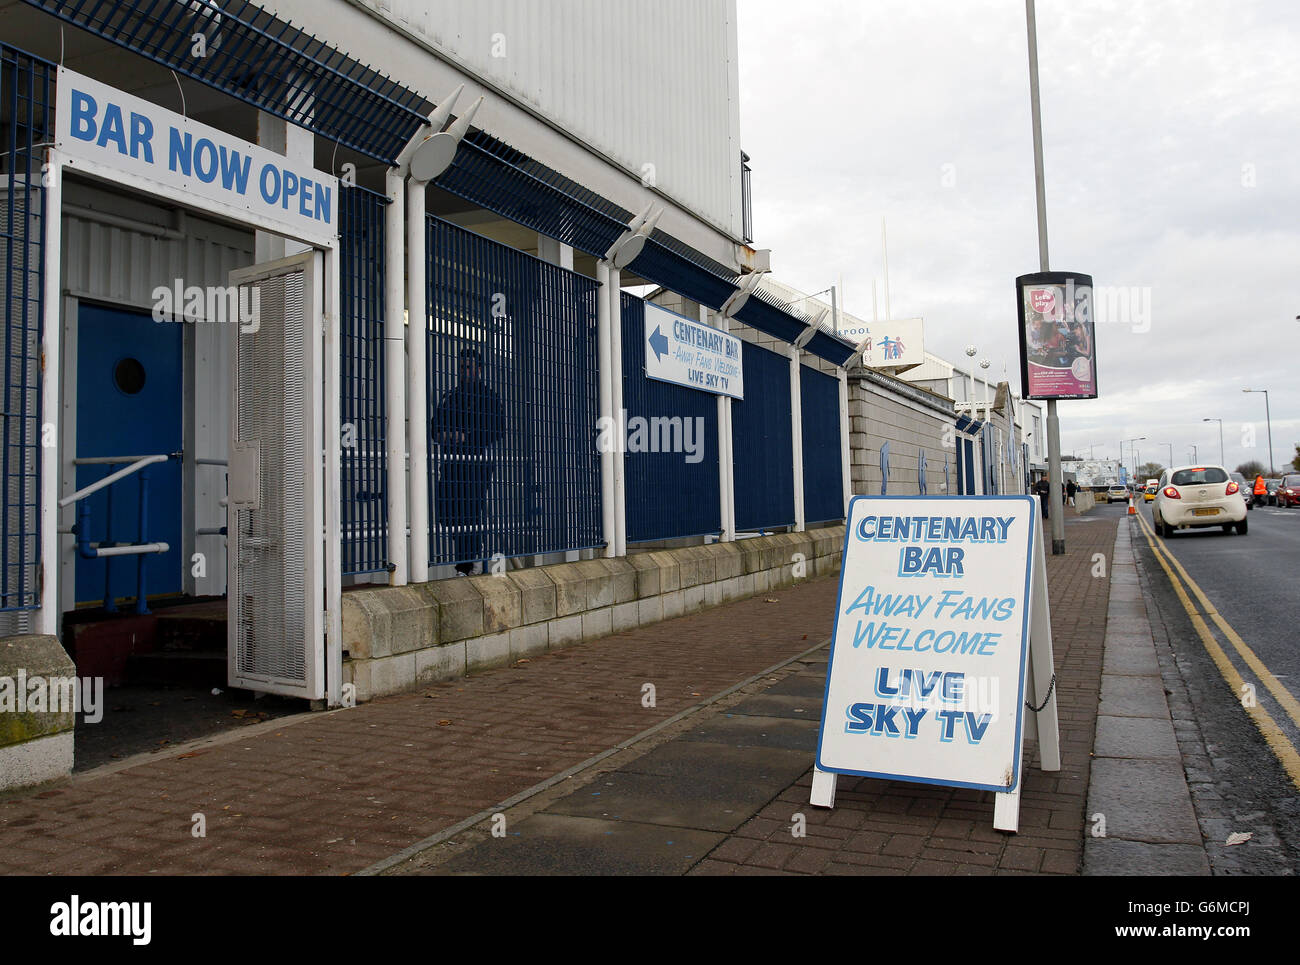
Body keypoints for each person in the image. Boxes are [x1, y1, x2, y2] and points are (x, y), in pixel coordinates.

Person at [433, 347, 506, 574]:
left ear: (479, 370)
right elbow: (434, 427)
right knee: (449, 513)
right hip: (452, 464)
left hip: (476, 464)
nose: (464, 372)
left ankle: (467, 564)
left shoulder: (488, 398)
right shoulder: (451, 397)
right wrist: (445, 435)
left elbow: (498, 429)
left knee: (470, 513)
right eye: (461, 368)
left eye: (468, 368)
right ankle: (468, 561)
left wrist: (467, 436)